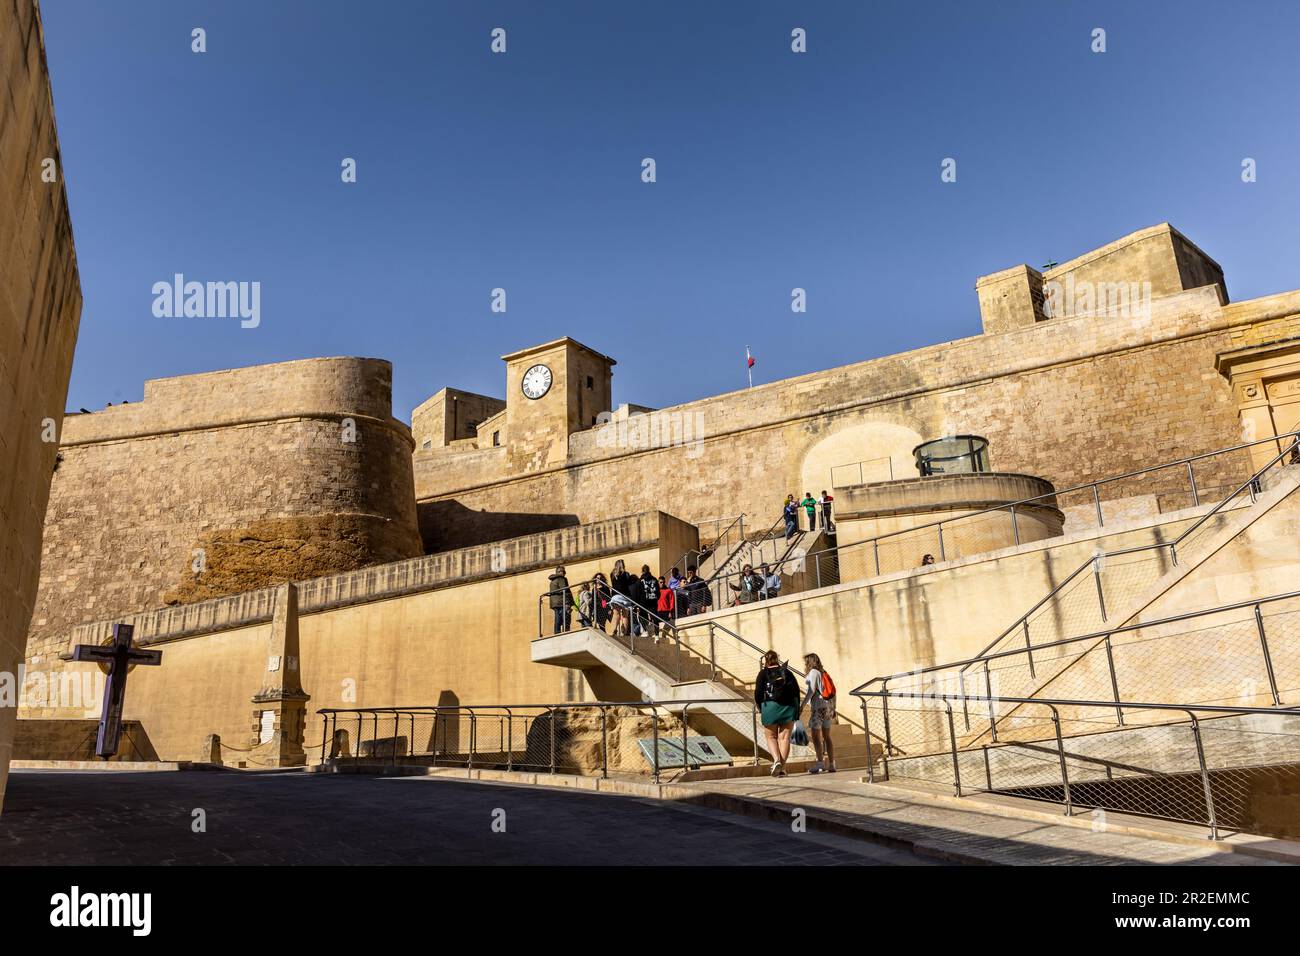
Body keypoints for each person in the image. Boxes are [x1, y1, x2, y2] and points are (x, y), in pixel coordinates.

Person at [755, 650, 801, 777]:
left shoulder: (763, 673)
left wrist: (760, 708)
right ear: (777, 659)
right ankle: (783, 768)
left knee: (771, 737)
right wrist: (798, 708)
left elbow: (758, 693)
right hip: (789, 706)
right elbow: (796, 691)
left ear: (766, 660)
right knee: (784, 738)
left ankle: (776, 761)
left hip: (769, 706)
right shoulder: (787, 672)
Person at [802, 652, 837, 774]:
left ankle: (820, 763)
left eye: (806, 661)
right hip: (828, 707)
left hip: (818, 708)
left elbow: (811, 691)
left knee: (816, 737)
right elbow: (833, 691)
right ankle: (832, 764)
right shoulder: (824, 672)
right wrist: (834, 708)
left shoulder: (813, 673)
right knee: (827, 736)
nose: (805, 664)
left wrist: (802, 704)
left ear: (809, 662)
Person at [608, 559, 638, 636]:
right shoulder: (626, 574)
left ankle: (614, 629)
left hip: (616, 596)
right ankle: (623, 633)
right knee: (625, 616)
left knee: (616, 614)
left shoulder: (612, 574)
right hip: (625, 596)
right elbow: (628, 584)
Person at [638, 564, 661, 639]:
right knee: (655, 617)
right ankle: (657, 634)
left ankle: (645, 631)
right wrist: (656, 598)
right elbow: (658, 592)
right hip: (653, 601)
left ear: (642, 571)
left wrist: (639, 601)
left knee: (641, 616)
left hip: (644, 602)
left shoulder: (641, 580)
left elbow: (639, 591)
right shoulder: (654, 579)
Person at [547, 565, 572, 634]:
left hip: (554, 602)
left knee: (557, 617)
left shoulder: (553, 580)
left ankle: (557, 632)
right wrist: (568, 602)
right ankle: (566, 631)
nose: (564, 573)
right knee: (566, 617)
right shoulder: (561, 579)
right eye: (563, 571)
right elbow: (565, 590)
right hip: (561, 601)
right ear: (560, 572)